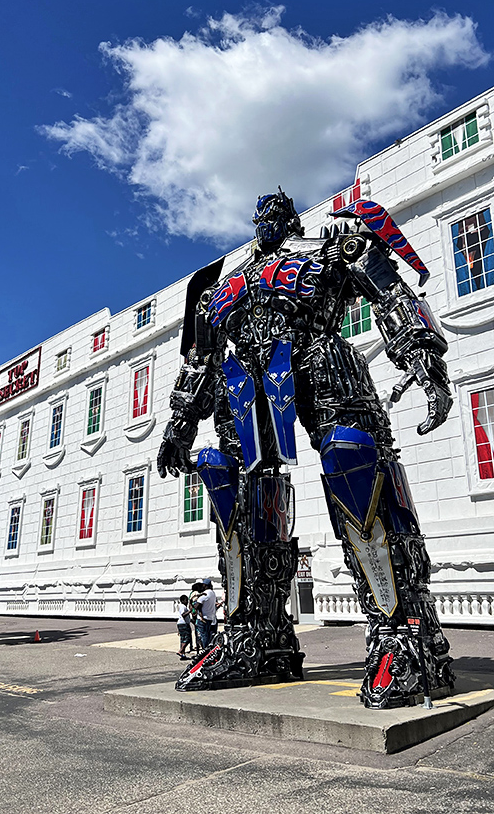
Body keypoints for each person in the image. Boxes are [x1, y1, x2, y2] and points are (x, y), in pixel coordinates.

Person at [158, 189, 454, 708]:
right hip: (246, 387)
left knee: (353, 457)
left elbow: (391, 292)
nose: (268, 219)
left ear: (292, 218)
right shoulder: (223, 288)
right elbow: (201, 359)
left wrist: (423, 358)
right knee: (228, 478)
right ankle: (257, 633)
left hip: (322, 365)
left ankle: (403, 631)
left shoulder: (328, 244)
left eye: (278, 213)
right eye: (261, 214)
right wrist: (180, 428)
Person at [196, 579, 218, 650]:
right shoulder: (213, 593)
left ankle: (205, 650)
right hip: (210, 618)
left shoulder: (205, 594)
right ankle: (208, 650)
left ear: (205, 585)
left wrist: (195, 599)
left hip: (202, 618)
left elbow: (197, 606)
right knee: (208, 635)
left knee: (204, 636)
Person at [176, 595, 192, 660]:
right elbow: (183, 615)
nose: (187, 602)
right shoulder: (183, 606)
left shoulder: (183, 607)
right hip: (184, 623)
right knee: (188, 638)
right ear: (182, 601)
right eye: (186, 600)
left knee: (183, 639)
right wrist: (189, 611)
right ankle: (181, 650)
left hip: (182, 623)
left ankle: (183, 653)